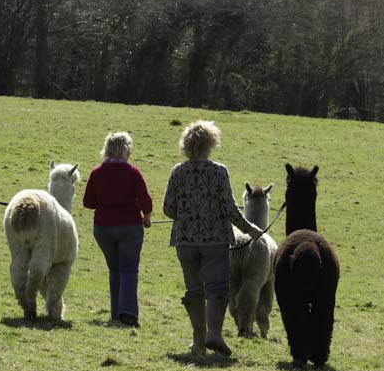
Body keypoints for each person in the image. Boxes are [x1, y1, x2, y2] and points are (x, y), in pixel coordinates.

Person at [163, 120, 263, 357]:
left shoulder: (177, 171)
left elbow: (168, 208)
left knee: (193, 290)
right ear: (211, 144)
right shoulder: (219, 171)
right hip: (215, 241)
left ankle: (198, 341)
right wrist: (250, 229)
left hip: (185, 241)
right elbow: (229, 208)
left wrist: (187, 212)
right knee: (217, 288)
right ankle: (214, 335)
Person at [83, 132, 153, 328]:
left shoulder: (97, 172)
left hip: (103, 229)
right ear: (126, 150)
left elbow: (88, 202)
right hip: (130, 227)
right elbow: (146, 201)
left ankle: (116, 313)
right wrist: (146, 217)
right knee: (129, 269)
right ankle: (128, 312)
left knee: (115, 270)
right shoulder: (133, 172)